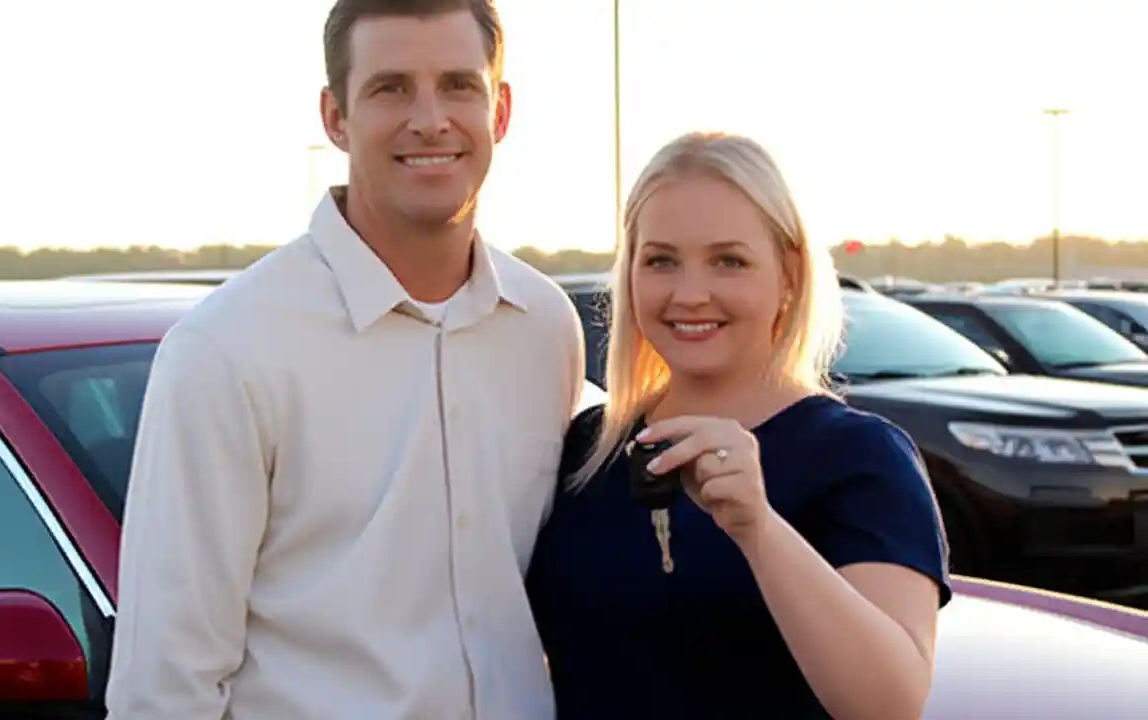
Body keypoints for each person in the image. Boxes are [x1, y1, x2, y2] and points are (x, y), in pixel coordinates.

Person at [105, 1, 585, 717]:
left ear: (501, 110)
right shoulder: (227, 350)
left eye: (459, 85)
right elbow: (164, 685)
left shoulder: (544, 329)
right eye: (391, 88)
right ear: (335, 117)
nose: (430, 120)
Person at [526, 132, 952, 719]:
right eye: (661, 261)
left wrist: (758, 528)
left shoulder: (859, 457)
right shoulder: (588, 447)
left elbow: (889, 704)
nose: (690, 294)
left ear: (790, 276)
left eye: (728, 261)